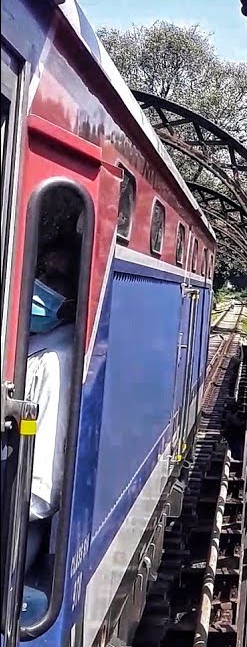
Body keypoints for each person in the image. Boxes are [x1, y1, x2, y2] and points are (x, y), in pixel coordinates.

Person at [19, 241, 77, 626]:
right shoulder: (39, 344)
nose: (38, 283)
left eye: (48, 277)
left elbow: (42, 482)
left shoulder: (57, 360)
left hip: (24, 516)